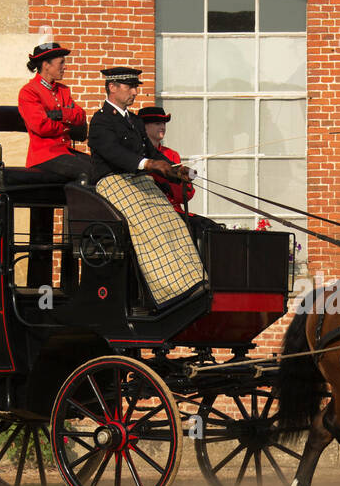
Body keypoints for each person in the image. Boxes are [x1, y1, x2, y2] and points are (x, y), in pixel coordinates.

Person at [87, 67, 206, 308]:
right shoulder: (100, 121)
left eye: (135, 87)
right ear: (112, 87)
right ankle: (169, 291)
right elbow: (114, 154)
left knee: (173, 221)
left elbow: (152, 154)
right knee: (148, 223)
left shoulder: (134, 122)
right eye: (130, 87)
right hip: (113, 182)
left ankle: (194, 282)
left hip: (139, 180)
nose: (134, 92)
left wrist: (176, 172)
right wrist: (148, 164)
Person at [138, 104, 225, 235]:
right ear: (144, 127)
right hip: (151, 211)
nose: (162, 127)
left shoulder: (172, 154)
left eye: (164, 124)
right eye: (157, 123)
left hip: (173, 210)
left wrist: (184, 182)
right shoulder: (137, 155)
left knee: (210, 228)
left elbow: (186, 195)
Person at [17, 41, 95, 181]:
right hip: (44, 155)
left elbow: (81, 117)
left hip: (64, 152)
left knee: (101, 168)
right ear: (46, 65)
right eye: (61, 63)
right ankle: (76, 203)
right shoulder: (29, 92)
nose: (65, 67)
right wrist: (68, 126)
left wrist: (59, 115)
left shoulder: (63, 91)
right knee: (87, 171)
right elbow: (41, 127)